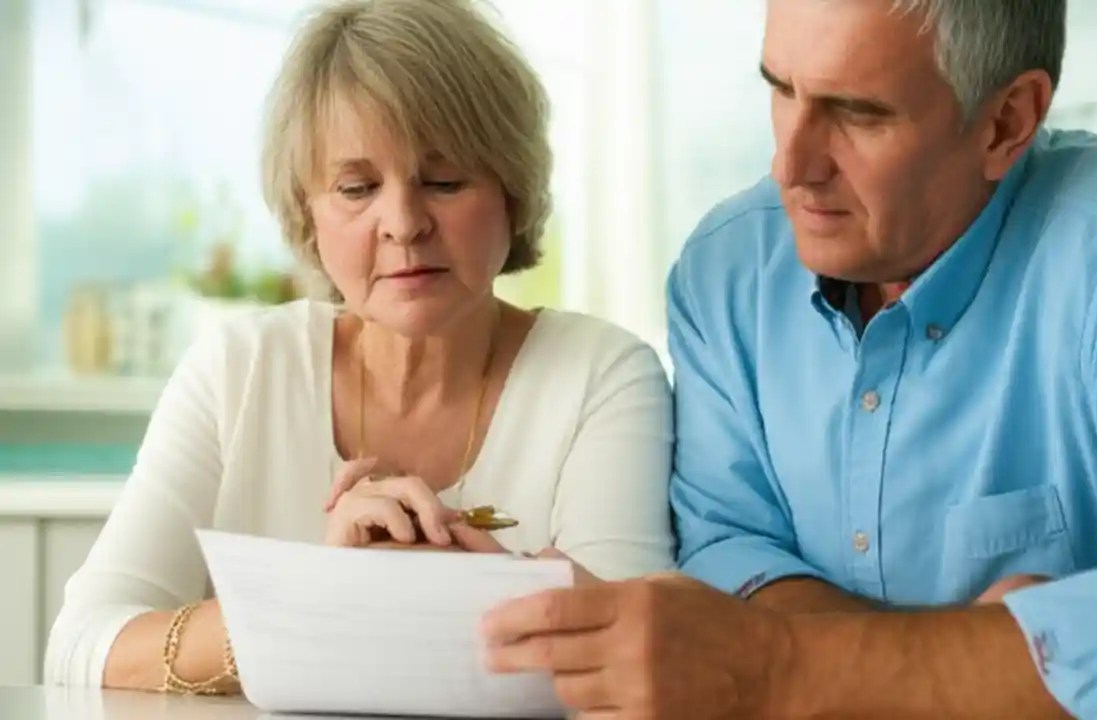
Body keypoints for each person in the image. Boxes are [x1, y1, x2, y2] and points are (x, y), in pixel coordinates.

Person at [481, 1, 1097, 717]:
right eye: (781, 90)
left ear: (1006, 121)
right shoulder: (727, 268)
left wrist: (778, 668)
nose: (791, 167)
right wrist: (1001, 664)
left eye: (857, 114)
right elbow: (728, 548)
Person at [45, 0, 674, 694]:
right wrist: (318, 597)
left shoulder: (605, 375)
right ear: (307, 213)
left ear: (513, 192)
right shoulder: (239, 367)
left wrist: (388, 606)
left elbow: (641, 662)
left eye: (444, 180)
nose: (403, 224)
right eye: (356, 187)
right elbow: (80, 646)